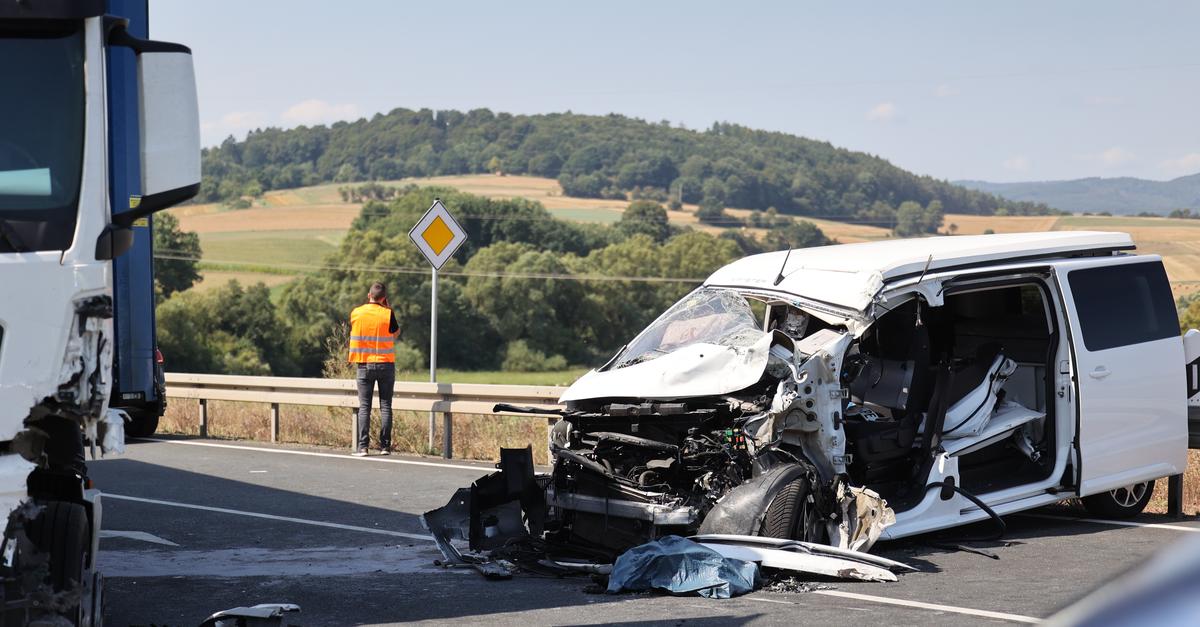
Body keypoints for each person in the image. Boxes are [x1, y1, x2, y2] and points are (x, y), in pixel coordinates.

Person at [348, 282, 400, 456]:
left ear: (368, 295)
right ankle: (385, 446)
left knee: (365, 407)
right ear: (384, 298)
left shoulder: (356, 312)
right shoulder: (388, 313)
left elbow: (355, 328)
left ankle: (363, 447)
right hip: (386, 364)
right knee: (386, 406)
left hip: (364, 365)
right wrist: (387, 308)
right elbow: (396, 333)